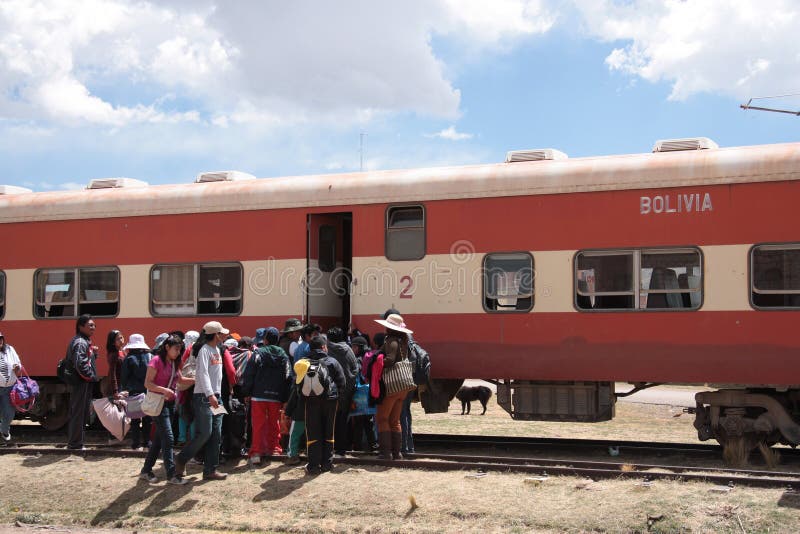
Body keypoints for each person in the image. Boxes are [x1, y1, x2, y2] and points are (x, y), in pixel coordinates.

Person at [175, 321, 229, 481]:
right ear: (216, 335)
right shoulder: (204, 350)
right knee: (205, 433)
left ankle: (210, 470)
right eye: (221, 333)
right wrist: (210, 395)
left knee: (216, 434)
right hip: (205, 397)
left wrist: (216, 396)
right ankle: (181, 459)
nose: (224, 336)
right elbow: (203, 374)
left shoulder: (217, 349)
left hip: (215, 397)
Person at [140, 335, 188, 485]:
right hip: (159, 404)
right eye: (176, 349)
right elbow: (147, 383)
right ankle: (172, 474)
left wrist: (198, 379)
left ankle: (146, 470)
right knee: (168, 438)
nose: (178, 352)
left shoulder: (173, 363)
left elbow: (180, 381)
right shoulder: (156, 360)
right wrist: (164, 390)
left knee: (160, 440)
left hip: (169, 404)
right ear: (167, 347)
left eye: (180, 349)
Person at [241, 327, 291, 464]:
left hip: (258, 395)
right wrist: (285, 398)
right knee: (274, 423)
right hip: (276, 396)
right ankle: (274, 449)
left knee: (258, 425)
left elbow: (249, 374)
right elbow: (288, 377)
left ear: (265, 339)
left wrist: (247, 392)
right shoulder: (284, 356)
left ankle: (256, 452)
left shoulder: (258, 353)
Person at [373, 313, 416, 460]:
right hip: (402, 386)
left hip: (391, 385)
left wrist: (378, 359)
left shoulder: (391, 341)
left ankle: (386, 453)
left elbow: (390, 360)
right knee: (395, 420)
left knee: (382, 418)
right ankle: (397, 453)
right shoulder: (403, 341)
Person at [301, 336, 345, 474]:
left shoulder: (304, 363)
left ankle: (313, 466)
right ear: (324, 347)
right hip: (330, 401)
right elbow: (342, 382)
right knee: (328, 430)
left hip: (311, 401)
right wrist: (337, 397)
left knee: (313, 432)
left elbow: (297, 384)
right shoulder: (332, 361)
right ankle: (327, 464)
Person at [66, 314, 99, 450]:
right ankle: (75, 444)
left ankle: (77, 442)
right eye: (90, 325)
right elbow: (80, 364)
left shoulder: (83, 341)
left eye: (94, 325)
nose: (93, 328)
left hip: (81, 381)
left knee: (80, 412)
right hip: (81, 382)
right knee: (79, 412)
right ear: (81, 326)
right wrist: (91, 376)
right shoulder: (80, 342)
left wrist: (93, 355)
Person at [325, 327, 359, 457]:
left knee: (329, 420)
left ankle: (329, 449)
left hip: (330, 390)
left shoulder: (326, 350)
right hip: (346, 391)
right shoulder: (348, 350)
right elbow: (355, 369)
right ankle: (341, 450)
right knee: (343, 420)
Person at [122, 333, 152, 450]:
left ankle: (135, 442)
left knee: (134, 419)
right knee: (147, 418)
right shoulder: (150, 356)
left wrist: (124, 389)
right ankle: (147, 441)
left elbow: (124, 377)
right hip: (148, 392)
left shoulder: (128, 359)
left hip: (134, 393)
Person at [0, 331, 22, 442]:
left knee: (9, 414)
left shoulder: (9, 349)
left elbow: (18, 363)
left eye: (1, 339)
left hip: (8, 388)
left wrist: (17, 368)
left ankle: (3, 430)